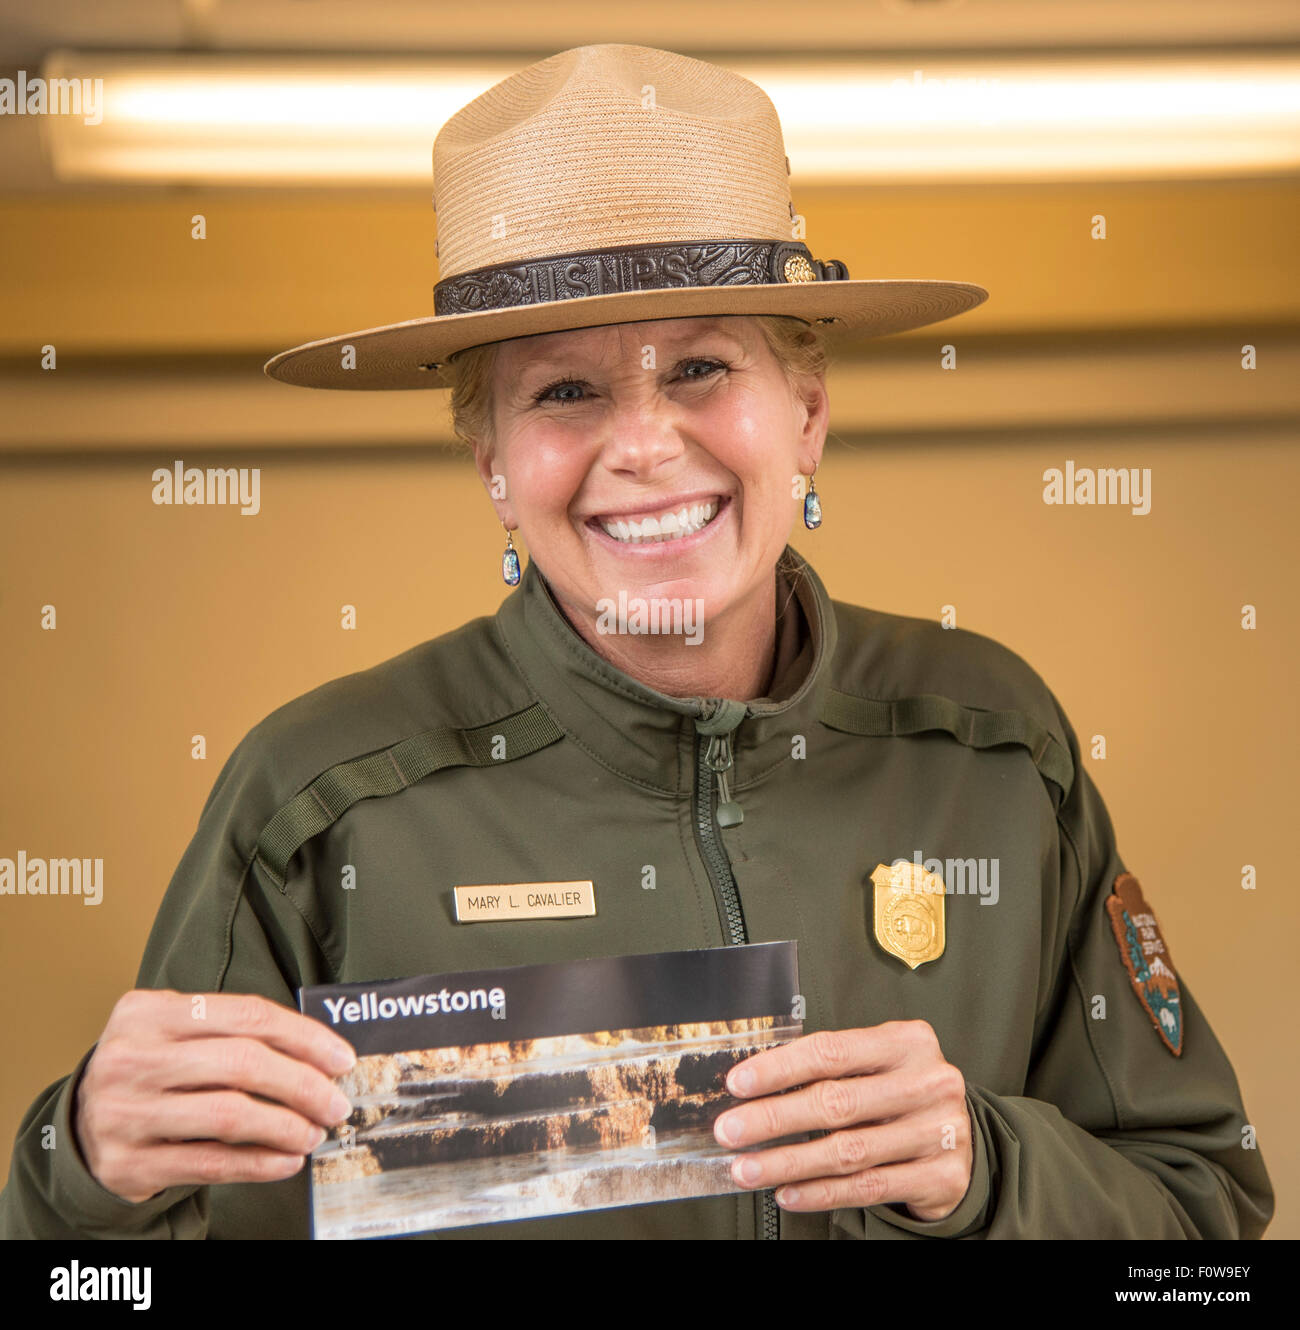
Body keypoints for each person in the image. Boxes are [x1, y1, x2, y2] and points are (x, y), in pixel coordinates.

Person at [0, 43, 1272, 1241]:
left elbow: (1200, 1230)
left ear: (809, 414)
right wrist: (81, 1169)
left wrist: (988, 1173)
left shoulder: (993, 745)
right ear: (493, 462)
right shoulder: (318, 801)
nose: (646, 444)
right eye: (564, 391)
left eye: (705, 369)